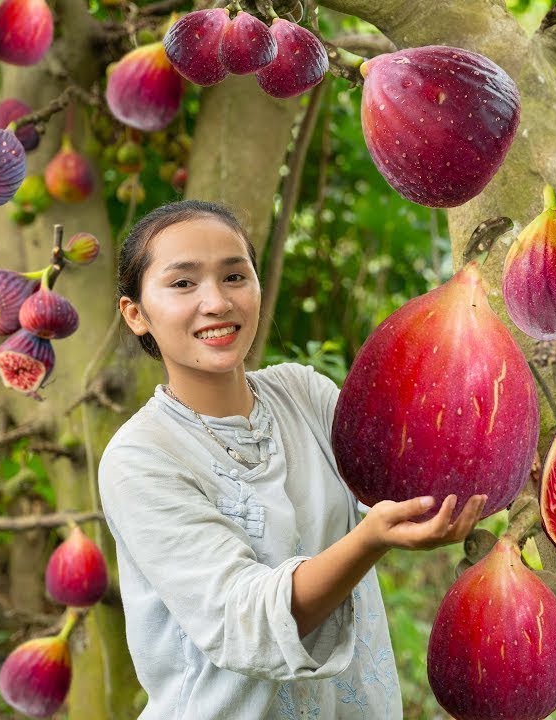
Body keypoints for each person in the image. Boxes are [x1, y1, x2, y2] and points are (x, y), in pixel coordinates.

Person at [99, 199, 487, 719]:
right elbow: (244, 621)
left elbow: (400, 473)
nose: (216, 302)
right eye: (183, 283)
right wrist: (370, 540)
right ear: (136, 314)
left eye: (235, 275)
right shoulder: (139, 458)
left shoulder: (303, 394)